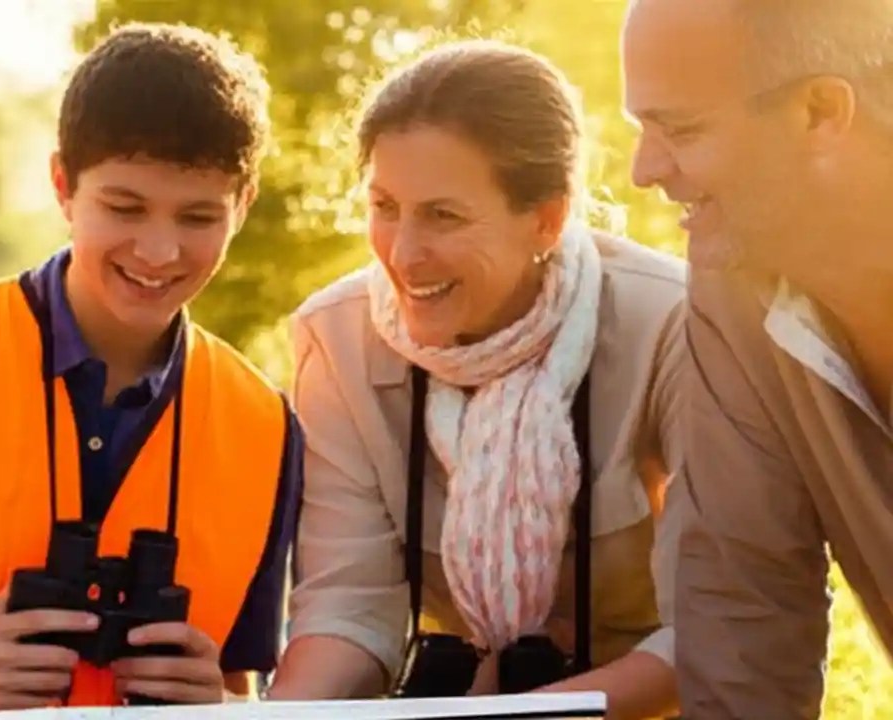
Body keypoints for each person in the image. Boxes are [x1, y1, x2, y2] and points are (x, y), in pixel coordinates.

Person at [0, 22, 302, 711]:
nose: (160, 250)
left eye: (198, 217)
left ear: (243, 205)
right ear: (62, 185)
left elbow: (235, 676)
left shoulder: (266, 426)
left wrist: (219, 706)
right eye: (124, 207)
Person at [266, 40, 685, 720]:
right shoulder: (336, 339)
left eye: (444, 215)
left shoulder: (670, 323)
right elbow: (348, 606)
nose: (402, 254)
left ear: (546, 218)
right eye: (384, 205)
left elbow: (718, 618)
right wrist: (285, 716)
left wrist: (530, 713)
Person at [622, 0, 893, 717]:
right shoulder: (736, 284)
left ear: (820, 111)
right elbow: (742, 617)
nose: (644, 170)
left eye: (680, 129)